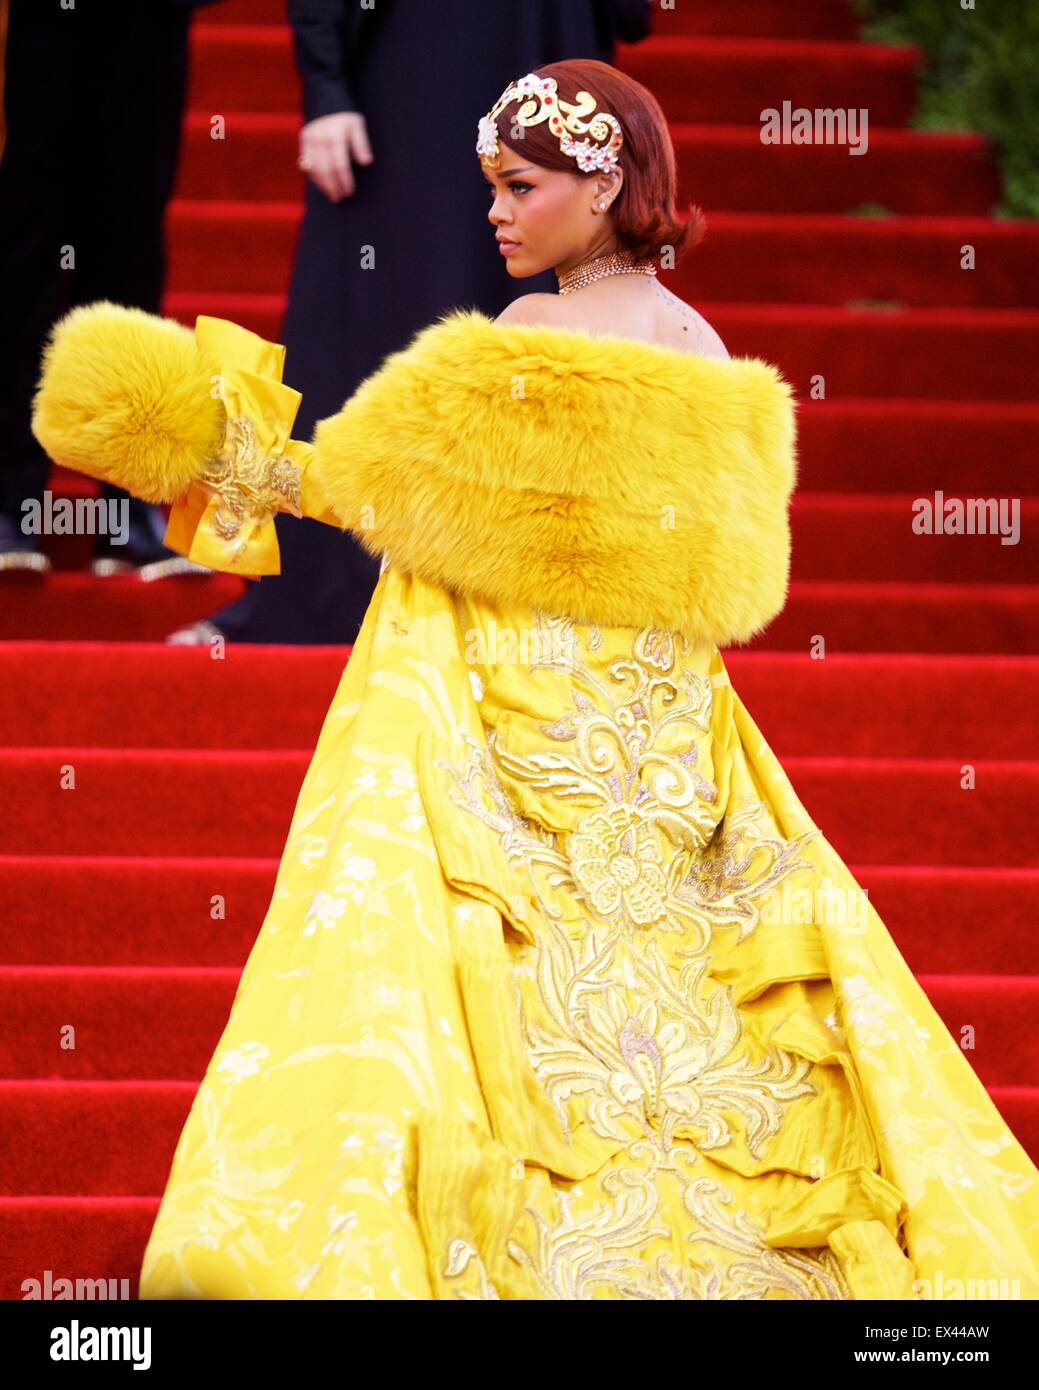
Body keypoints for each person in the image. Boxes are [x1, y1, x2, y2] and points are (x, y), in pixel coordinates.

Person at [31, 59, 1039, 1301]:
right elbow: (715, 572)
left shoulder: (532, 336)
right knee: (698, 1009)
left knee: (509, 1010)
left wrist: (170, 426)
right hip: (669, 743)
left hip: (522, 730)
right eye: (490, 187)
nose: (495, 213)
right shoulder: (709, 349)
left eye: (518, 185)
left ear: (604, 179)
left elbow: (354, 481)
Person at [172, 0, 653, 645]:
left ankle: (512, 598)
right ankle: (322, 595)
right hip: (404, 76)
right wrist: (328, 86)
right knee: (374, 317)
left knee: (531, 341)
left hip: (549, 70)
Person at [0, 0, 222, 579]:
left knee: (131, 255)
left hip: (148, 23)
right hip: (47, 21)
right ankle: (9, 501)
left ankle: (124, 511)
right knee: (27, 252)